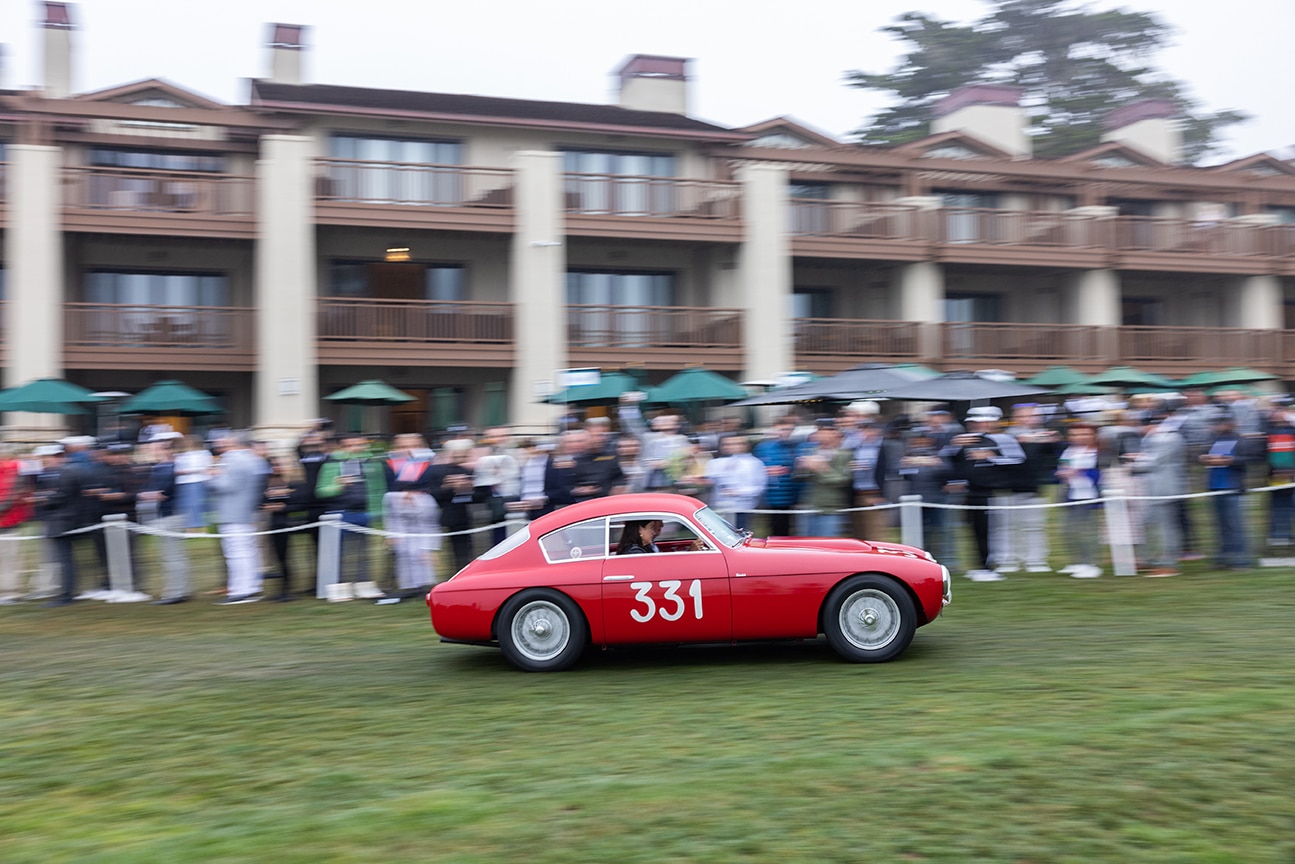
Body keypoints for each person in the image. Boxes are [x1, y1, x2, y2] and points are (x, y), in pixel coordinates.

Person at [316, 432, 386, 600]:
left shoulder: (372, 463)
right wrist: (337, 485)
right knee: (339, 553)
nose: (356, 448)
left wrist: (379, 512)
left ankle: (364, 585)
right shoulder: (331, 463)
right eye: (350, 445)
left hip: (364, 512)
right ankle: (339, 588)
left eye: (360, 444)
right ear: (342, 447)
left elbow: (380, 489)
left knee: (364, 552)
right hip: (340, 513)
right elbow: (320, 491)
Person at [209, 431, 271, 604]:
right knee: (249, 552)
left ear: (234, 443)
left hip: (232, 513)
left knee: (236, 554)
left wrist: (212, 477)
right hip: (246, 511)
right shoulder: (253, 459)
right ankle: (251, 587)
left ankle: (240, 590)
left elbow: (228, 485)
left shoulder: (232, 459)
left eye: (225, 442)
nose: (221, 445)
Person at [1129, 410, 1187, 577]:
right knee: (1148, 524)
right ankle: (1149, 559)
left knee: (1165, 527)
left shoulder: (1169, 437)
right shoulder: (1156, 437)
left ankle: (1168, 564)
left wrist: (1134, 462)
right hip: (1151, 489)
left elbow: (1153, 462)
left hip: (1165, 489)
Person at [139, 437, 191, 604]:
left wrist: (144, 495)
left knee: (172, 556)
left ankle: (175, 593)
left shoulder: (167, 469)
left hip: (170, 515)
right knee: (175, 556)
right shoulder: (164, 468)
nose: (152, 452)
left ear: (165, 450)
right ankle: (181, 590)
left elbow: (161, 494)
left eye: (155, 449)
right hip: (171, 514)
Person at [1201, 412, 1253, 569]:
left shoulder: (1240, 440)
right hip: (1215, 487)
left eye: (1221, 423)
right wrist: (1203, 458)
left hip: (1232, 487)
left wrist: (1229, 460)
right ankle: (1223, 558)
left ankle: (1241, 561)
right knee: (1221, 526)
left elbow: (1247, 459)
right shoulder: (1214, 439)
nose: (1217, 426)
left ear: (1231, 424)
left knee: (1235, 526)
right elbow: (1204, 456)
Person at [1055, 422, 1103, 578]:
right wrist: (1062, 473)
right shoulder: (1069, 451)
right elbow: (1062, 468)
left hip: (1088, 497)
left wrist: (1079, 472)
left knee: (1086, 532)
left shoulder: (1099, 452)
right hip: (1071, 495)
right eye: (1074, 434)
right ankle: (1077, 562)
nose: (1079, 437)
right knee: (1068, 531)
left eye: (1084, 434)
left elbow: (1100, 474)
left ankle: (1091, 564)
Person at [795, 422, 853, 538]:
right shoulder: (811, 452)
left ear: (835, 435)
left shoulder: (845, 455)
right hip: (808, 506)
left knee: (826, 545)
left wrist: (822, 469)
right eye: (820, 432)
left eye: (827, 432)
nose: (823, 436)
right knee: (805, 545)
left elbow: (843, 479)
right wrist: (801, 467)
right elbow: (798, 477)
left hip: (829, 508)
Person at [702, 434, 767, 530]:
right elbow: (710, 481)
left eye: (735, 444)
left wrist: (738, 492)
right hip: (719, 508)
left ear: (744, 445)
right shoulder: (714, 463)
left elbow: (759, 488)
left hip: (742, 508)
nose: (730, 447)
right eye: (726, 444)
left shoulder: (754, 463)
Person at [753, 415, 803, 536]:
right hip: (770, 495)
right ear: (774, 430)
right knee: (773, 527)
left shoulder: (796, 447)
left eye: (789, 430)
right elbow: (754, 469)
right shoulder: (763, 448)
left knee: (790, 528)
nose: (785, 433)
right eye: (782, 429)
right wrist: (765, 471)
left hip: (790, 494)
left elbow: (799, 474)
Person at [0, 444, 36, 604]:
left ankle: (12, 591)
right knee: (8, 557)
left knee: (10, 557)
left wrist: (2, 508)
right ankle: (9, 590)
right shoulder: (16, 468)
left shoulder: (17, 468)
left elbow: (15, 493)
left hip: (9, 520)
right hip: (8, 518)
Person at [173, 434, 212, 531]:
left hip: (197, 481)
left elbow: (206, 467)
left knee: (195, 504)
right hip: (183, 483)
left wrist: (188, 471)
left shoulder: (204, 453)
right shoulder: (182, 454)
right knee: (185, 504)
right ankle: (188, 526)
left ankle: (198, 526)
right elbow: (177, 468)